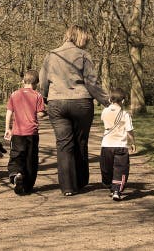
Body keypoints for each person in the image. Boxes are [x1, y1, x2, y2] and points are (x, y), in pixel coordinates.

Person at [39, 25, 109, 196]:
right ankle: (81, 181)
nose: (86, 42)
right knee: (80, 142)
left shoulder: (51, 55)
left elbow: (43, 81)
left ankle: (67, 187)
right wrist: (107, 101)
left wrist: (46, 98)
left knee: (64, 145)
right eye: (86, 39)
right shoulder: (84, 55)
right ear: (80, 37)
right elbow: (91, 82)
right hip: (81, 102)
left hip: (57, 102)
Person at [4, 69, 46, 195]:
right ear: (36, 83)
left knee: (16, 157)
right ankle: (28, 186)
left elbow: (9, 113)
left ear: (23, 81)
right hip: (32, 133)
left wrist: (8, 128)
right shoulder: (37, 95)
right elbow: (40, 114)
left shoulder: (14, 94)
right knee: (30, 159)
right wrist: (45, 112)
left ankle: (16, 175)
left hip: (18, 133)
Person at [100, 87, 136, 201]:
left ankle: (110, 186)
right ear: (123, 101)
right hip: (120, 145)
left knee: (107, 169)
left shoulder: (104, 111)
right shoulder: (125, 114)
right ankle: (117, 190)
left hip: (106, 145)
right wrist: (133, 142)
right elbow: (129, 130)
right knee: (120, 169)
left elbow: (105, 121)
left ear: (110, 99)